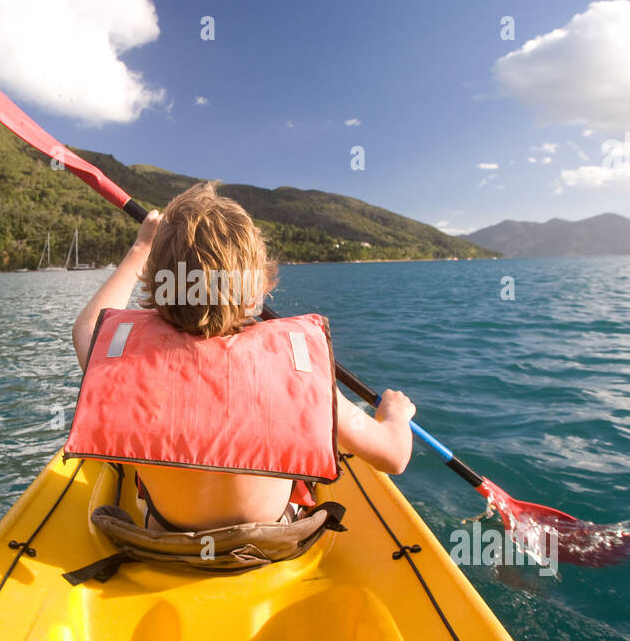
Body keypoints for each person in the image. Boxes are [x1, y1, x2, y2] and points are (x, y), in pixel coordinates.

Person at [71, 182, 415, 532]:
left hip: (162, 536)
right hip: (268, 543)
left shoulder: (123, 363)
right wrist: (396, 414)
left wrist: (141, 246)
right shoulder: (296, 369)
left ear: (155, 283)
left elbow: (87, 327)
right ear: (258, 290)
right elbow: (394, 456)